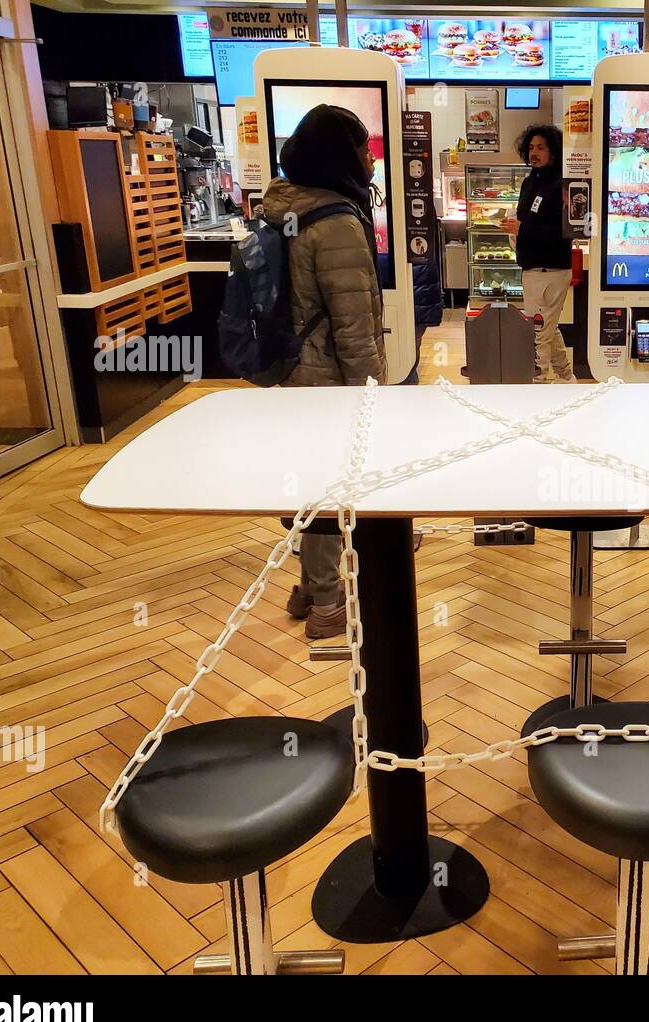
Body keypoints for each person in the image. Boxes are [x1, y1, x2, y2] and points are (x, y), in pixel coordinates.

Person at [260, 104, 387, 640]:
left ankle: (309, 588)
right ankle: (328, 604)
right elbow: (353, 323)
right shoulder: (334, 220)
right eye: (363, 148)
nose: (370, 159)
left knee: (308, 481)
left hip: (292, 369)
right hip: (326, 377)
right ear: (343, 155)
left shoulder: (284, 203)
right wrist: (373, 394)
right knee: (329, 486)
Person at [500, 124, 575, 383]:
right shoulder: (530, 181)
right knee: (548, 331)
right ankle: (567, 379)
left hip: (551, 269)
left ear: (553, 151)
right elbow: (526, 221)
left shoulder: (562, 184)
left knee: (538, 335)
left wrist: (523, 228)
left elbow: (563, 231)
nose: (534, 152)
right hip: (531, 268)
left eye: (541, 147)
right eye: (531, 147)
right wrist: (515, 226)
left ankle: (540, 384)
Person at [409, 206, 443, 385]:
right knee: (412, 346)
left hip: (415, 284)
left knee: (408, 350)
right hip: (421, 284)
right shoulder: (421, 200)